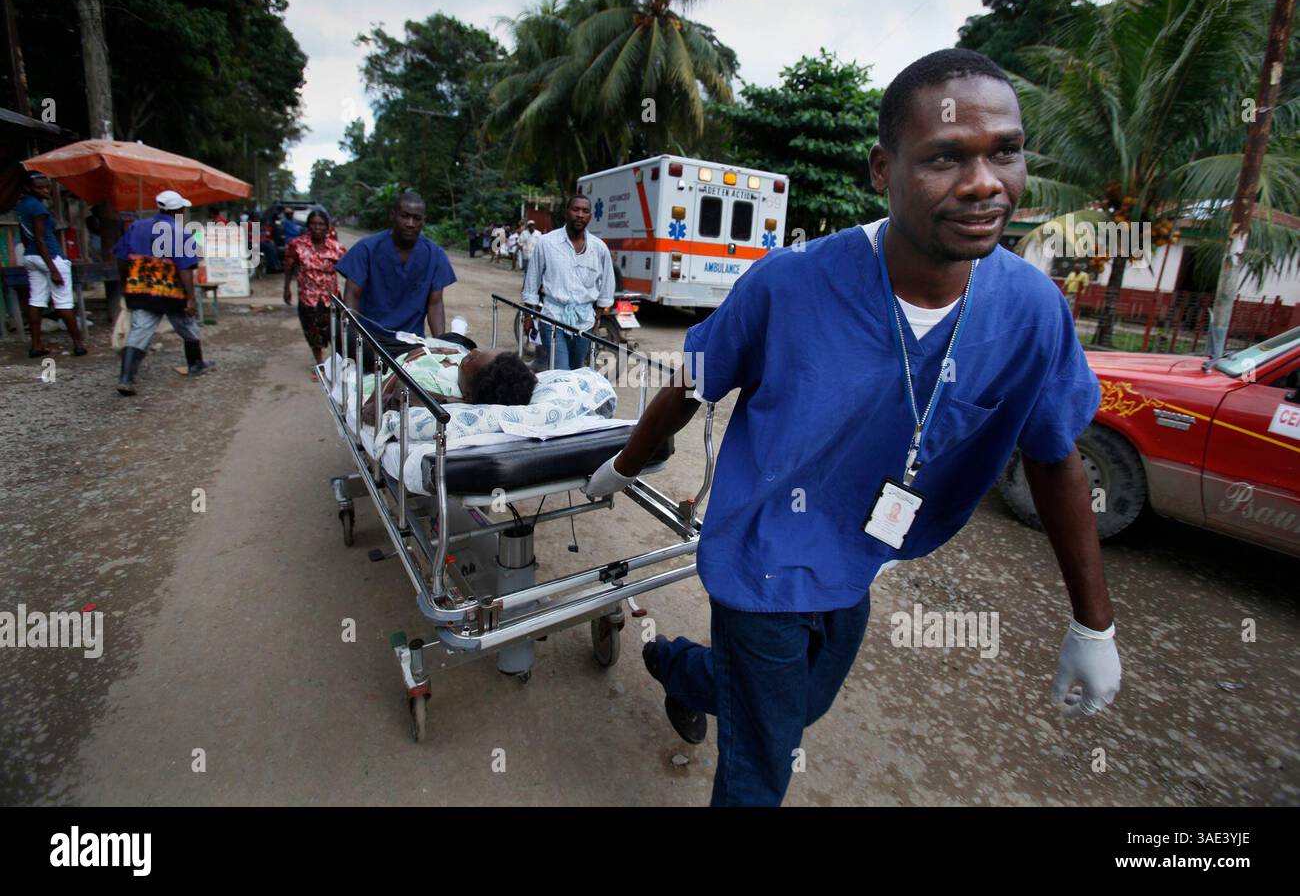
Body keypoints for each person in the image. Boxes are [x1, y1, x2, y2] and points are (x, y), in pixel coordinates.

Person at [584, 49, 1121, 807]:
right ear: (882, 169)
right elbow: (692, 383)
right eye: (944, 158)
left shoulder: (1032, 311)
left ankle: (678, 667)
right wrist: (628, 463)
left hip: (861, 557)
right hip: (762, 552)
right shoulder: (789, 282)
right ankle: (709, 686)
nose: (982, 183)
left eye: (1005, 150)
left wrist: (1092, 625)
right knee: (760, 769)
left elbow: (1054, 453)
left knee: (800, 703)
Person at [336, 191, 456, 364]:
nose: (410, 224)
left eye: (417, 218)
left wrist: (441, 345)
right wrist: (352, 338)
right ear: (393, 215)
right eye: (405, 216)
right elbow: (352, 295)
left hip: (411, 343)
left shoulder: (435, 255)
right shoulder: (366, 249)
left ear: (423, 220)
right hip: (371, 339)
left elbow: (435, 303)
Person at [113, 189, 212, 395]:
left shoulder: (136, 226)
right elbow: (184, 269)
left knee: (140, 330)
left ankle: (126, 378)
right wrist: (191, 298)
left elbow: (121, 258)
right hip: (171, 291)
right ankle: (195, 364)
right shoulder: (181, 232)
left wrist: (126, 284)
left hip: (139, 287)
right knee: (187, 326)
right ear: (180, 210)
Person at [521, 194, 614, 370]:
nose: (580, 214)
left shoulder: (599, 248)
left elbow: (607, 286)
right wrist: (528, 316)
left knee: (576, 369)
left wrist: (598, 315)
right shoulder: (547, 243)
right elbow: (532, 282)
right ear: (566, 213)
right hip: (553, 317)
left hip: (584, 321)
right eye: (575, 209)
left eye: (585, 211)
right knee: (561, 370)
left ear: (590, 216)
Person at [362, 340, 537, 422]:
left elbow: (370, 410)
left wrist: (419, 354)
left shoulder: (427, 390)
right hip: (434, 346)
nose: (474, 351)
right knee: (457, 338)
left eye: (470, 359)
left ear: (468, 395)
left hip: (395, 360)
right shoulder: (475, 376)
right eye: (481, 351)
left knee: (359, 339)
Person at [15, 170, 86, 357]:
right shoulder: (39, 209)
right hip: (50, 257)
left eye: (46, 186)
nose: (45, 190)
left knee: (36, 300)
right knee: (63, 302)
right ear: (29, 188)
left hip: (31, 257)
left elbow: (26, 236)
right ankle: (78, 344)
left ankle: (36, 345)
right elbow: (41, 239)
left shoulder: (22, 206)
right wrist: (53, 269)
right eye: (40, 187)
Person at [283, 207, 347, 374]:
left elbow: (349, 271)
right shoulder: (297, 245)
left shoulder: (337, 248)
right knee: (312, 332)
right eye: (313, 224)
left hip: (331, 298)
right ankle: (320, 365)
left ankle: (339, 364)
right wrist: (286, 288)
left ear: (327, 227)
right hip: (308, 297)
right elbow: (289, 266)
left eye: (321, 224)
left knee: (336, 332)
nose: (317, 227)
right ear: (308, 225)